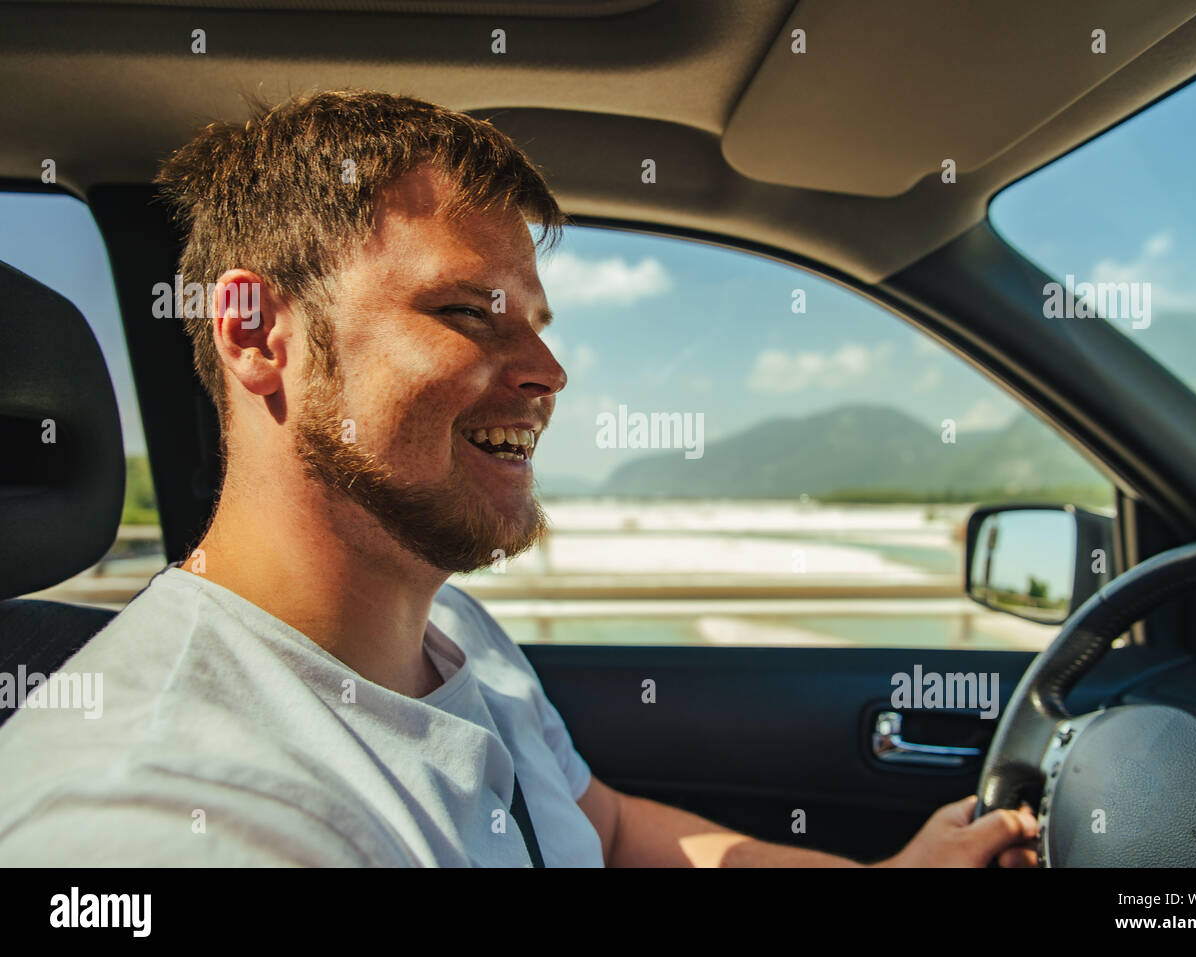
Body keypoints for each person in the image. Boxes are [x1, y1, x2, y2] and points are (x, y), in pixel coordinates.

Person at [0, 90, 1038, 867]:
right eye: (465, 311)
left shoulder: (456, 637)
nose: (549, 374)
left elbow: (616, 831)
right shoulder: (162, 812)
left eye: (536, 324)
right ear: (256, 331)